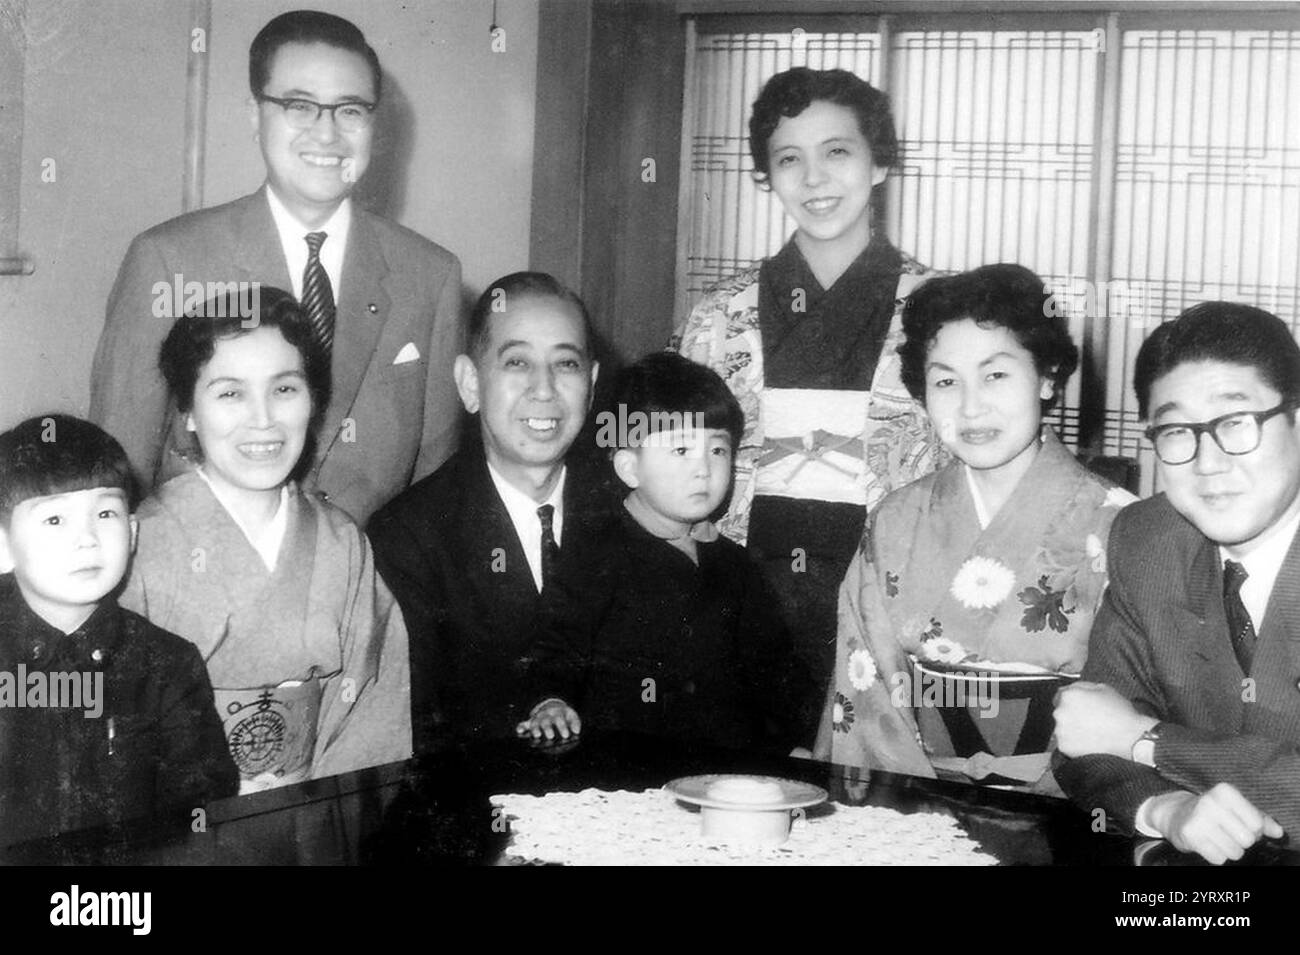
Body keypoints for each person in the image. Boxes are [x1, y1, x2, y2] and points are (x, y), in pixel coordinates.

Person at [89, 9, 462, 525]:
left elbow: (436, 486)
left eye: (351, 110)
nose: (328, 134)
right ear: (254, 115)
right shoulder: (169, 262)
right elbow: (115, 475)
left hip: (367, 587)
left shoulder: (430, 275)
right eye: (300, 106)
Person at [672, 67, 945, 699]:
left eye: (838, 152)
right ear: (767, 175)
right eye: (789, 159)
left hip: (893, 609)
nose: (815, 179)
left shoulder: (942, 310)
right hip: (740, 610)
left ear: (879, 163)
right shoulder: (720, 316)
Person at [813, 265, 1134, 792]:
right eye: (945, 381)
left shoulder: (1124, 526)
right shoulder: (895, 521)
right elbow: (865, 696)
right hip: (917, 806)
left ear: (1048, 376)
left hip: (1068, 808)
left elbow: (1136, 708)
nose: (970, 405)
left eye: (996, 374)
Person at [120, 288, 411, 793]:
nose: (263, 420)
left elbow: (373, 710)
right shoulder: (137, 546)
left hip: (315, 815)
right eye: (230, 393)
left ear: (313, 402)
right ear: (188, 411)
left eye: (285, 389)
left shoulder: (342, 543)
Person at [1053, 302, 1300, 864]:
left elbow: (1119, 731)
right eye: (1176, 431)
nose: (1206, 462)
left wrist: (1146, 740)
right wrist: (1168, 810)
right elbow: (1086, 734)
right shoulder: (1149, 539)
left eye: (1236, 422)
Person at [516, 352, 819, 753]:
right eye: (680, 451)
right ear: (629, 468)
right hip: (624, 763)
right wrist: (551, 702)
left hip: (726, 763)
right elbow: (556, 646)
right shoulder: (596, 553)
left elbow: (773, 665)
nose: (704, 469)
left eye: (718, 450)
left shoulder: (734, 562)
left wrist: (794, 741)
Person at [367, 272, 617, 750]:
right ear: (470, 383)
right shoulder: (408, 538)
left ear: (591, 383)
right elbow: (416, 730)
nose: (544, 389)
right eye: (517, 361)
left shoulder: (632, 512)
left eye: (566, 364)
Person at [0, 415, 236, 845]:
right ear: (2, 546)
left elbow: (200, 803)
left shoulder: (167, 664)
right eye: (55, 520)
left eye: (105, 512)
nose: (87, 538)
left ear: (131, 533)